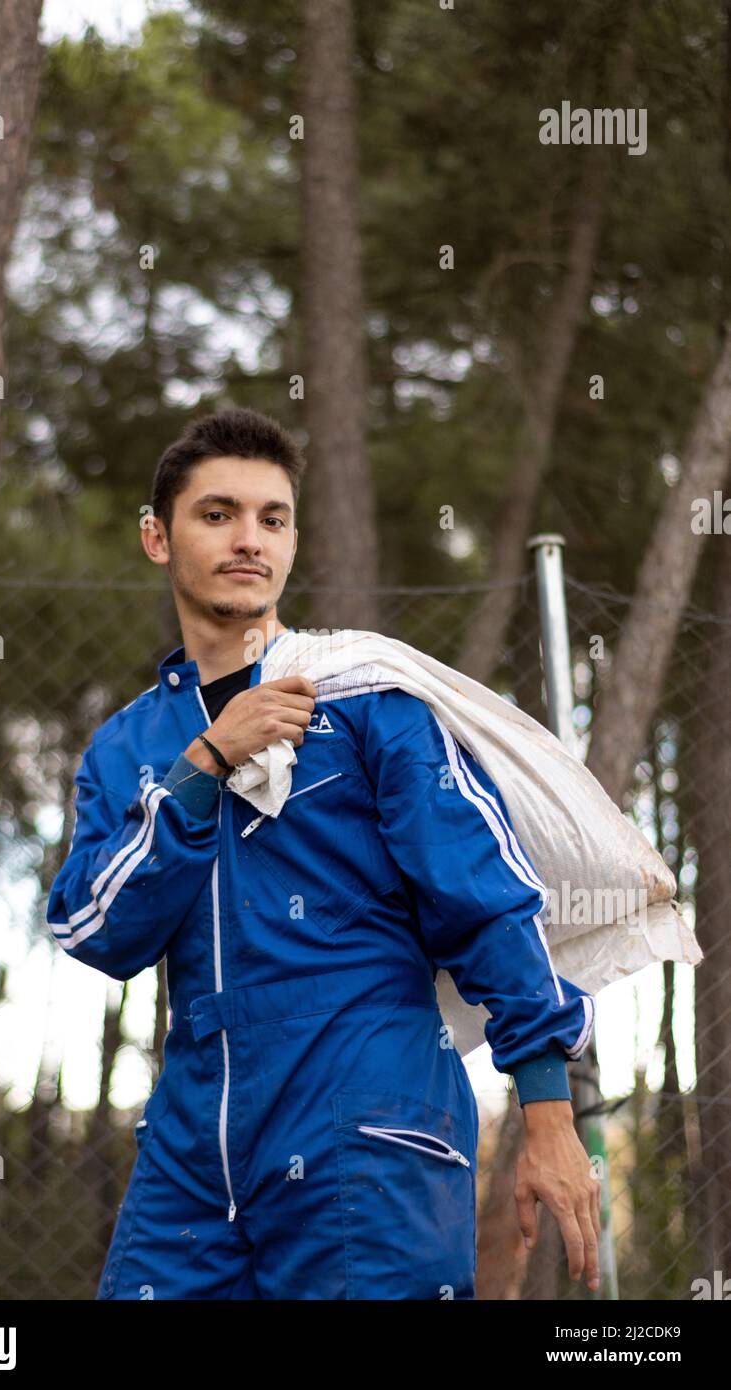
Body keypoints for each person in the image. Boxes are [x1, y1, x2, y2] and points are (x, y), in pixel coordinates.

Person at [46, 405, 600, 1300]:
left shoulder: (369, 700)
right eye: (217, 514)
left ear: (294, 541)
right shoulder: (128, 749)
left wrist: (546, 1109)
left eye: (272, 518)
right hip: (194, 1145)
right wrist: (205, 766)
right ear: (157, 537)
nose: (248, 539)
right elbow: (94, 928)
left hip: (368, 1121)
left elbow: (485, 896)